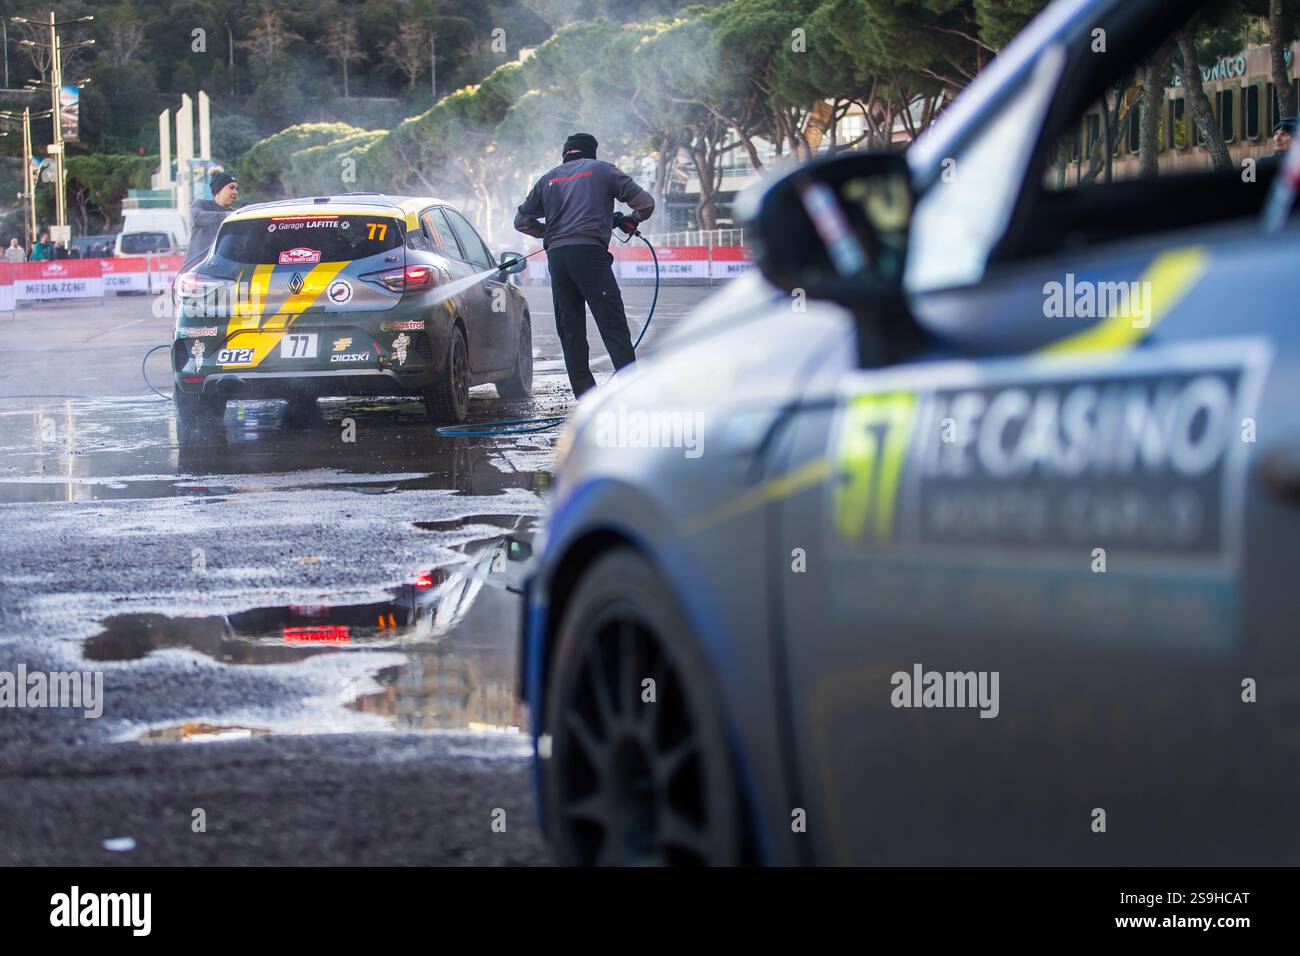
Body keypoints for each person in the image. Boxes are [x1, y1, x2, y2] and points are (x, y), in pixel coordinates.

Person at [514, 132, 655, 399]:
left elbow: (521, 222)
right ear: (591, 152)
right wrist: (632, 218)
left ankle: (586, 397)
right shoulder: (602, 170)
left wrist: (552, 231)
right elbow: (646, 203)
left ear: (566, 153)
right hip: (590, 255)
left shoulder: (548, 178)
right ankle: (631, 392)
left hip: (557, 260)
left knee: (570, 327)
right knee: (612, 323)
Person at [185, 170, 239, 270]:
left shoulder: (235, 214)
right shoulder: (202, 204)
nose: (235, 192)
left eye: (236, 189)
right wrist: (226, 216)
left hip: (222, 269)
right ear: (218, 190)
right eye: (231, 188)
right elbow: (197, 218)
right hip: (196, 269)